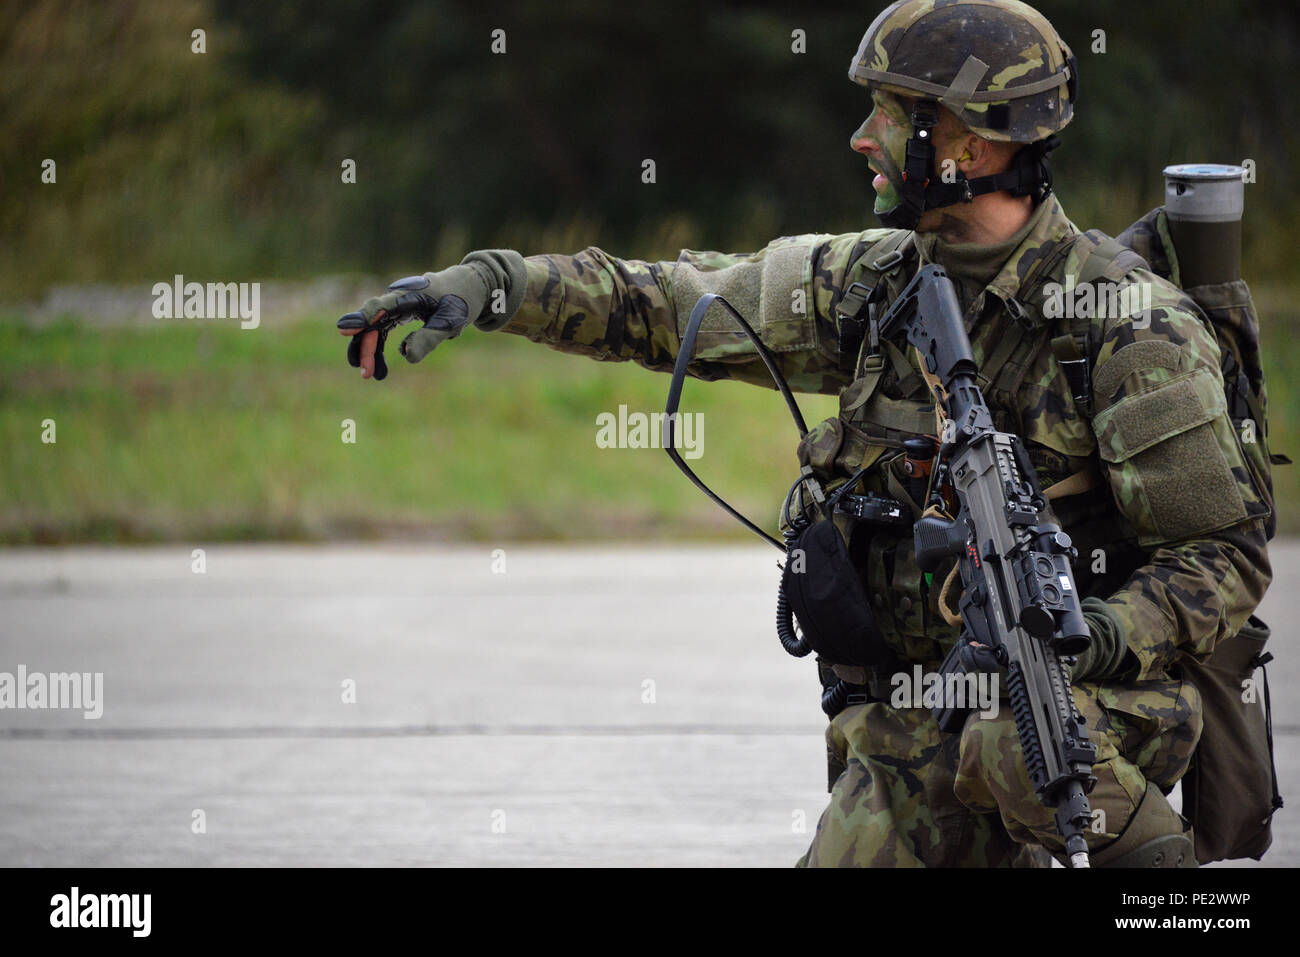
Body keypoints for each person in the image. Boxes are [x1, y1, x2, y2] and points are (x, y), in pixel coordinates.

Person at [336, 0, 1272, 867]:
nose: (862, 137)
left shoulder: (1126, 328)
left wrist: (1094, 634)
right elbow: (671, 303)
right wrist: (494, 282)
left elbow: (1221, 558)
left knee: (1013, 747)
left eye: (890, 114)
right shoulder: (872, 284)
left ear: (972, 147)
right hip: (915, 724)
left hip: (1093, 706)